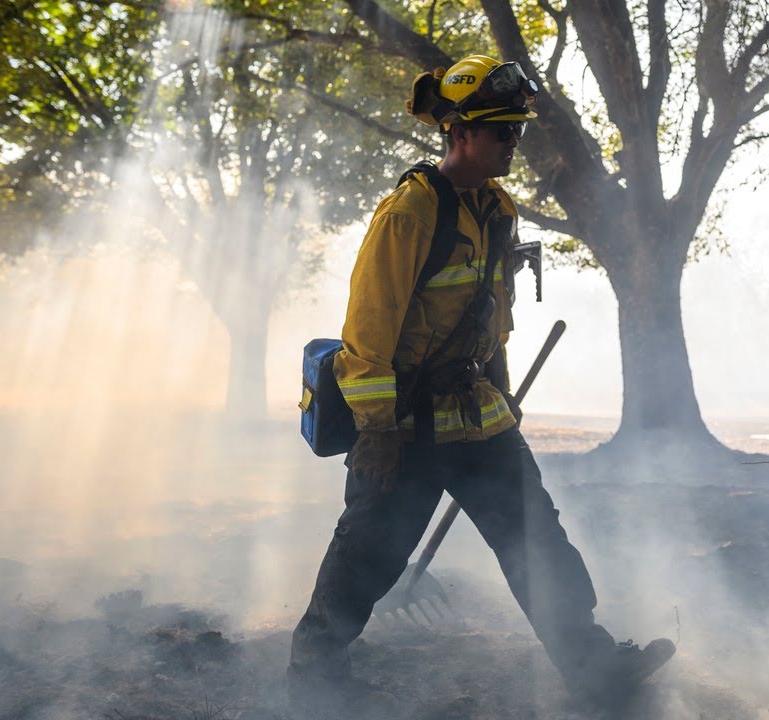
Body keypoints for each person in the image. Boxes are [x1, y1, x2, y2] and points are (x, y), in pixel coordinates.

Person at [287, 55, 675, 709]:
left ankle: (594, 668)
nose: (514, 143)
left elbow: (492, 321)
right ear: (461, 132)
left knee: (538, 543)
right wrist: (376, 432)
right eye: (503, 131)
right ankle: (314, 675)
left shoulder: (497, 209)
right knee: (369, 555)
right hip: (405, 428)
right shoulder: (409, 214)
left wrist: (501, 392)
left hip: (479, 418)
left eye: (517, 130)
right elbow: (368, 334)